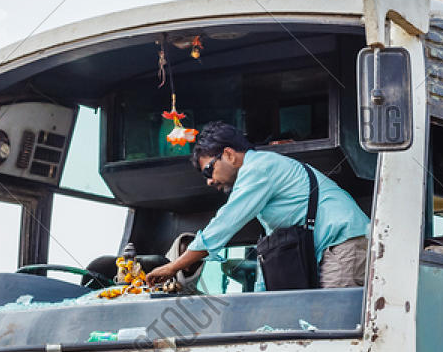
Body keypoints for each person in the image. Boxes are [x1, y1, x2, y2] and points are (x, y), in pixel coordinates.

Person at [144, 122, 371, 290]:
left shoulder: (258, 169)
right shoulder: (262, 178)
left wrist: (173, 267)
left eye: (208, 171)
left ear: (229, 155)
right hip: (332, 247)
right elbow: (274, 247)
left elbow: (224, 224)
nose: (209, 181)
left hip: (343, 243)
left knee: (333, 321)